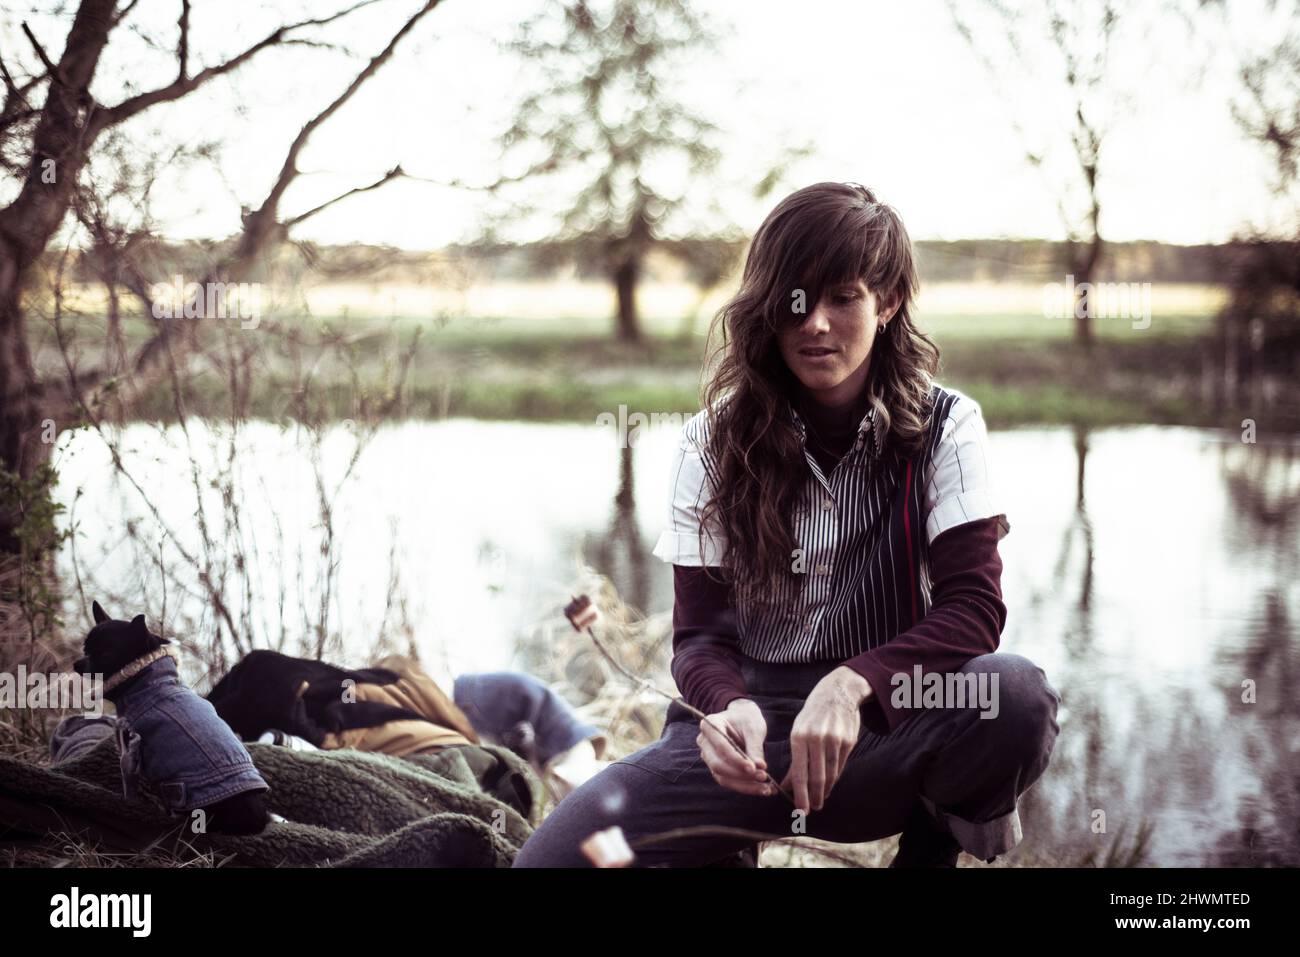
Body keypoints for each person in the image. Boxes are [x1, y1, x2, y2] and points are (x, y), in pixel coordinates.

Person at [514, 182, 1061, 868]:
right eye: (794, 299)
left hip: (886, 726)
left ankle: (928, 855)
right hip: (743, 742)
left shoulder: (950, 426)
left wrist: (851, 681)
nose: (815, 323)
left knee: (1011, 695)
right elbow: (700, 638)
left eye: (844, 297)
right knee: (556, 860)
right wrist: (726, 704)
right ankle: (723, 849)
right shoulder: (707, 442)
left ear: (887, 302)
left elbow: (974, 609)